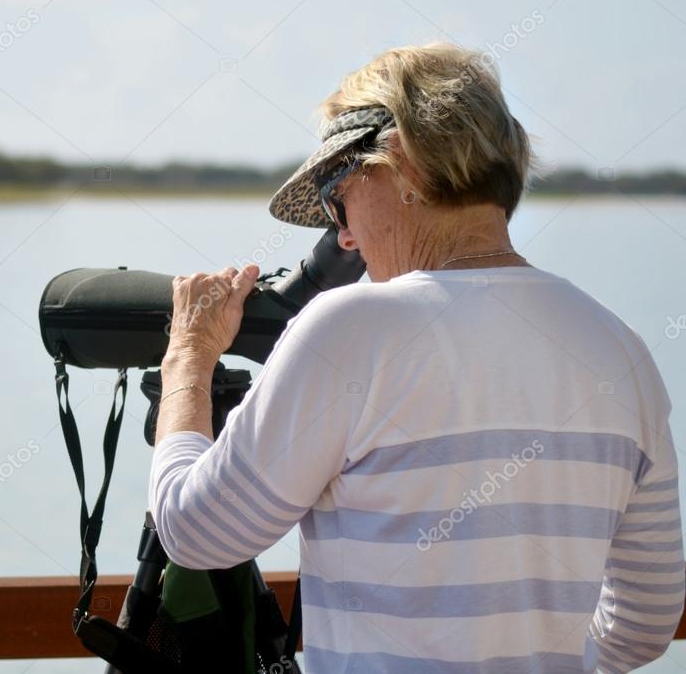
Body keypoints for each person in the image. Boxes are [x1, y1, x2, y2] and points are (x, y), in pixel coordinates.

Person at [148, 43, 683, 672]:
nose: (342, 234)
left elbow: (196, 531)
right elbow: (646, 623)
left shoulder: (352, 328)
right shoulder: (620, 348)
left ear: (402, 161)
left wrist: (188, 355)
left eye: (334, 192)